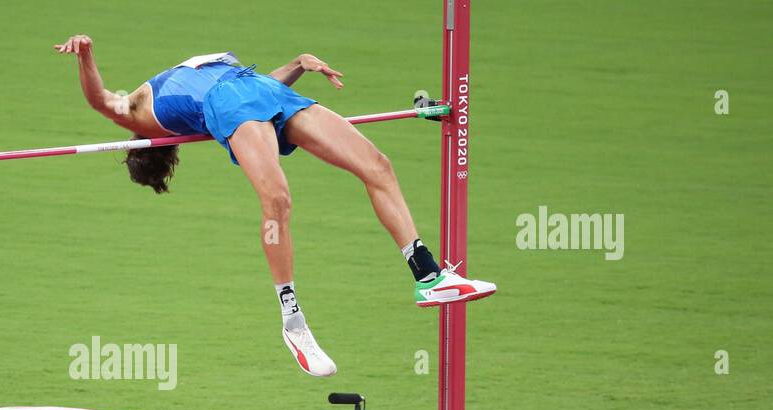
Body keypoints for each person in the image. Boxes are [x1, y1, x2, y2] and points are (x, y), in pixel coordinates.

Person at [54, 35, 496, 377]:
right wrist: (85, 54)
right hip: (229, 105)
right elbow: (99, 99)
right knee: (277, 198)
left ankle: (427, 276)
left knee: (376, 164)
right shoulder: (135, 109)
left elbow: (256, 90)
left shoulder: (161, 92)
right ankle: (293, 320)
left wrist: (299, 64)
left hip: (261, 89)